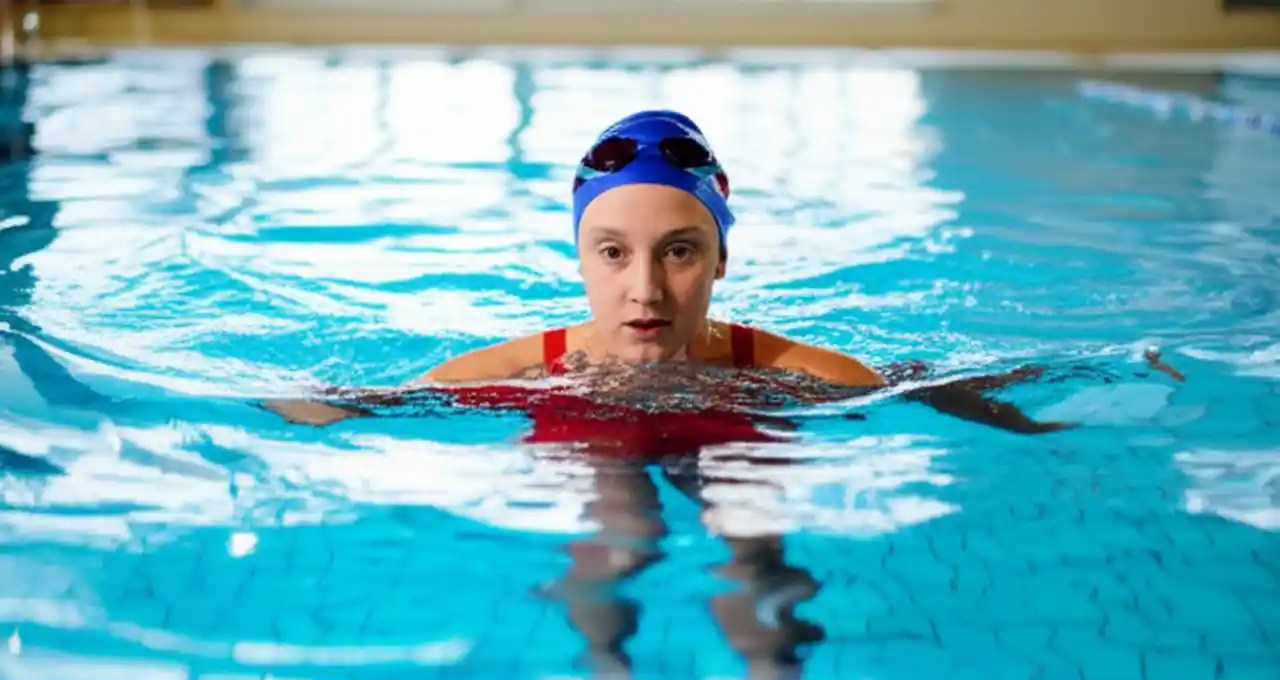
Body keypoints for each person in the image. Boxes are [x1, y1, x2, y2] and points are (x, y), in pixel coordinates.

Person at [267, 108, 1091, 435]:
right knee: (607, 540)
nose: (647, 291)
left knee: (752, 543)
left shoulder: (790, 369)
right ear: (579, 261)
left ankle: (771, 675)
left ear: (723, 259)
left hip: (731, 428)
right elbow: (369, 405)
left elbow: (910, 387)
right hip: (587, 436)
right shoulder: (520, 365)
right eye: (614, 254)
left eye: (681, 251)